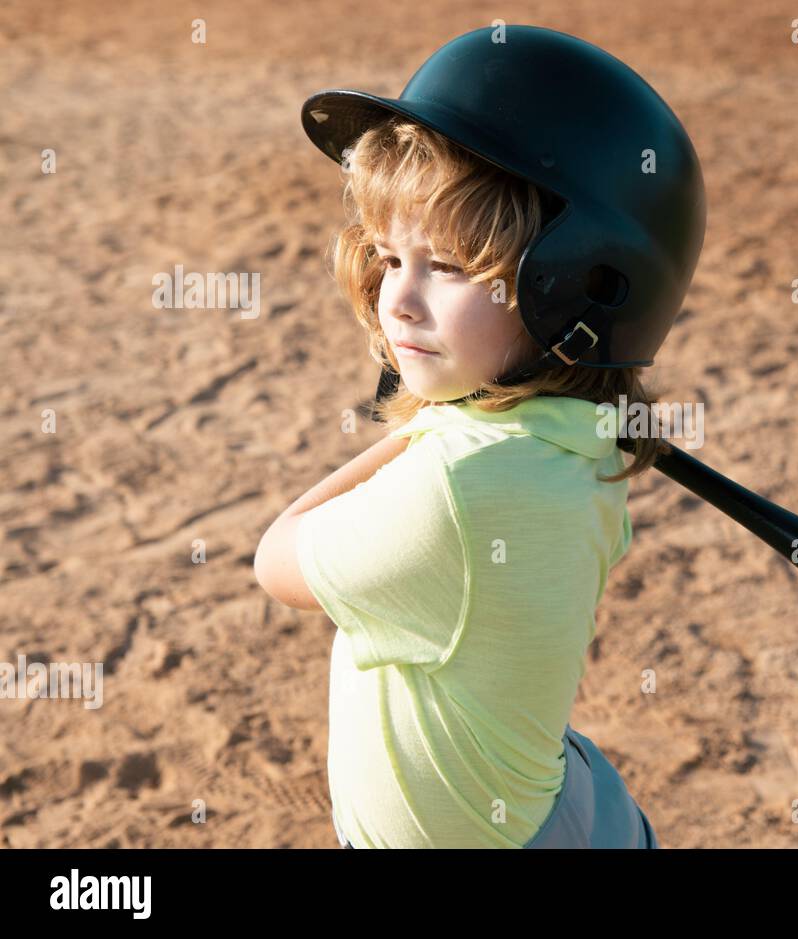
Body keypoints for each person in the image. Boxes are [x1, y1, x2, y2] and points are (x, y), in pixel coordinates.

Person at [253, 25, 705, 848]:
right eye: (391, 257)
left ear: (578, 288)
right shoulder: (582, 445)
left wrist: (418, 420)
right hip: (556, 815)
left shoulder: (453, 486)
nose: (398, 300)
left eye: (451, 267)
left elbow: (276, 556)